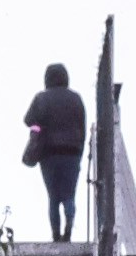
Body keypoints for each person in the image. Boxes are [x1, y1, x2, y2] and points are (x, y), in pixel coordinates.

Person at [19, 61, 88, 241]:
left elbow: (28, 120)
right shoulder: (76, 99)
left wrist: (39, 127)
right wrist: (78, 152)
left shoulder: (42, 98)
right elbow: (83, 127)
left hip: (49, 154)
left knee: (53, 196)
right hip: (72, 153)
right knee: (69, 194)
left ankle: (56, 235)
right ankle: (69, 226)